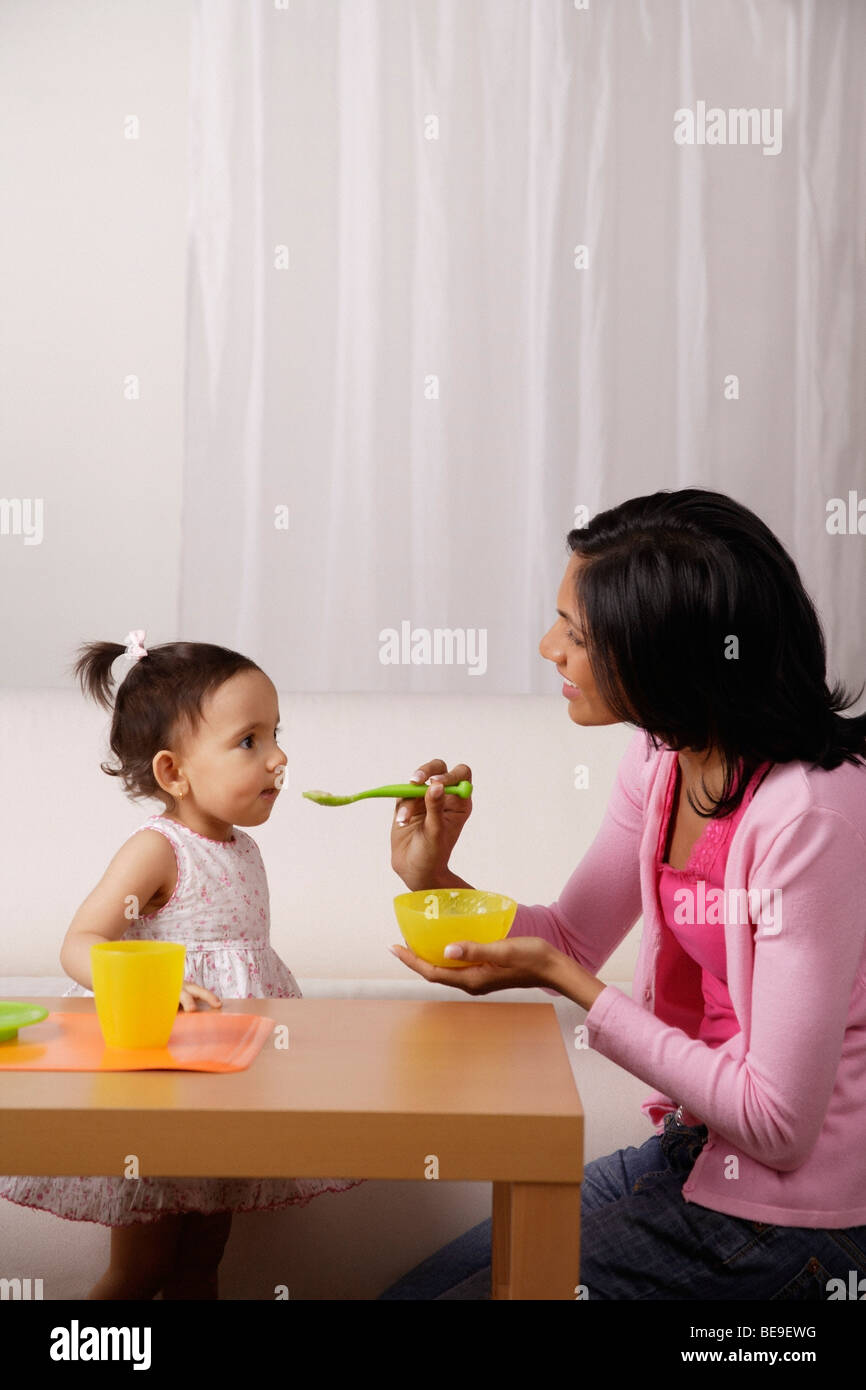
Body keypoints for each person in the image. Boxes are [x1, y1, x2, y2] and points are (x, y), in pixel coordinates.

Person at [379, 487, 866, 1300]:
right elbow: (569, 938)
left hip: (800, 1223)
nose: (548, 648)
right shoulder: (661, 754)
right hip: (692, 1152)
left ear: (663, 653)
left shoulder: (811, 812)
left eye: (575, 634)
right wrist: (434, 880)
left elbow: (779, 1126)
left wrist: (571, 987)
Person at [0, 632, 363, 1300]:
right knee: (140, 1271)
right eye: (250, 741)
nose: (279, 757)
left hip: (228, 1089)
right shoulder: (158, 850)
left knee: (202, 1264)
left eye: (276, 733)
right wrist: (149, 985)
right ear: (173, 772)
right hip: (157, 1089)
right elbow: (79, 942)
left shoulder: (244, 849)